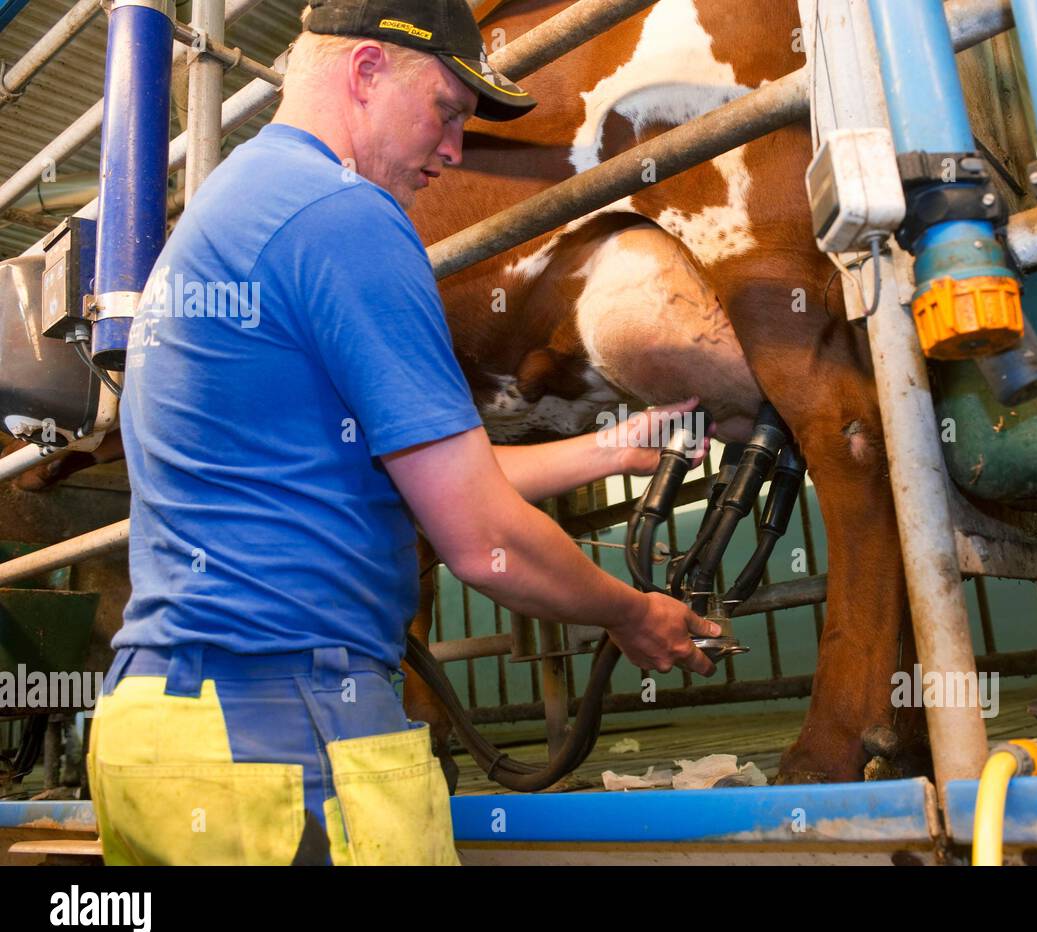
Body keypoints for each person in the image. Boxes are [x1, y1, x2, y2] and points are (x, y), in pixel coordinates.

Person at [87, 0, 717, 866]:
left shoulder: (237, 205)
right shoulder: (343, 217)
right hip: (282, 739)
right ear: (366, 72)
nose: (455, 149)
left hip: (165, 735)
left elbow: (416, 475)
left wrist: (608, 446)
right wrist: (632, 612)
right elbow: (483, 538)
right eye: (447, 110)